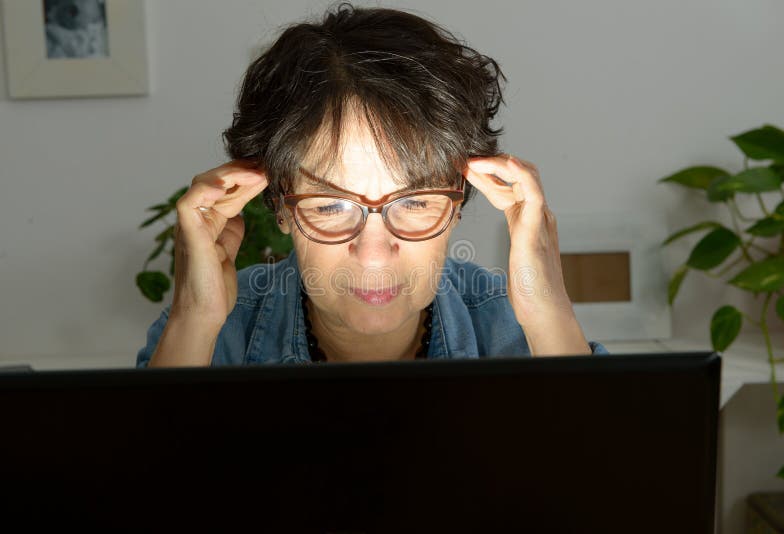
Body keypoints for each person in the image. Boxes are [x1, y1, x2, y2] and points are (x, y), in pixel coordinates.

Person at [136, 3, 608, 367]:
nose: (376, 254)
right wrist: (194, 321)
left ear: (459, 201)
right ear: (280, 205)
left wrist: (549, 314)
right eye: (329, 206)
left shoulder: (510, 326)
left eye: (416, 200)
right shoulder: (208, 332)